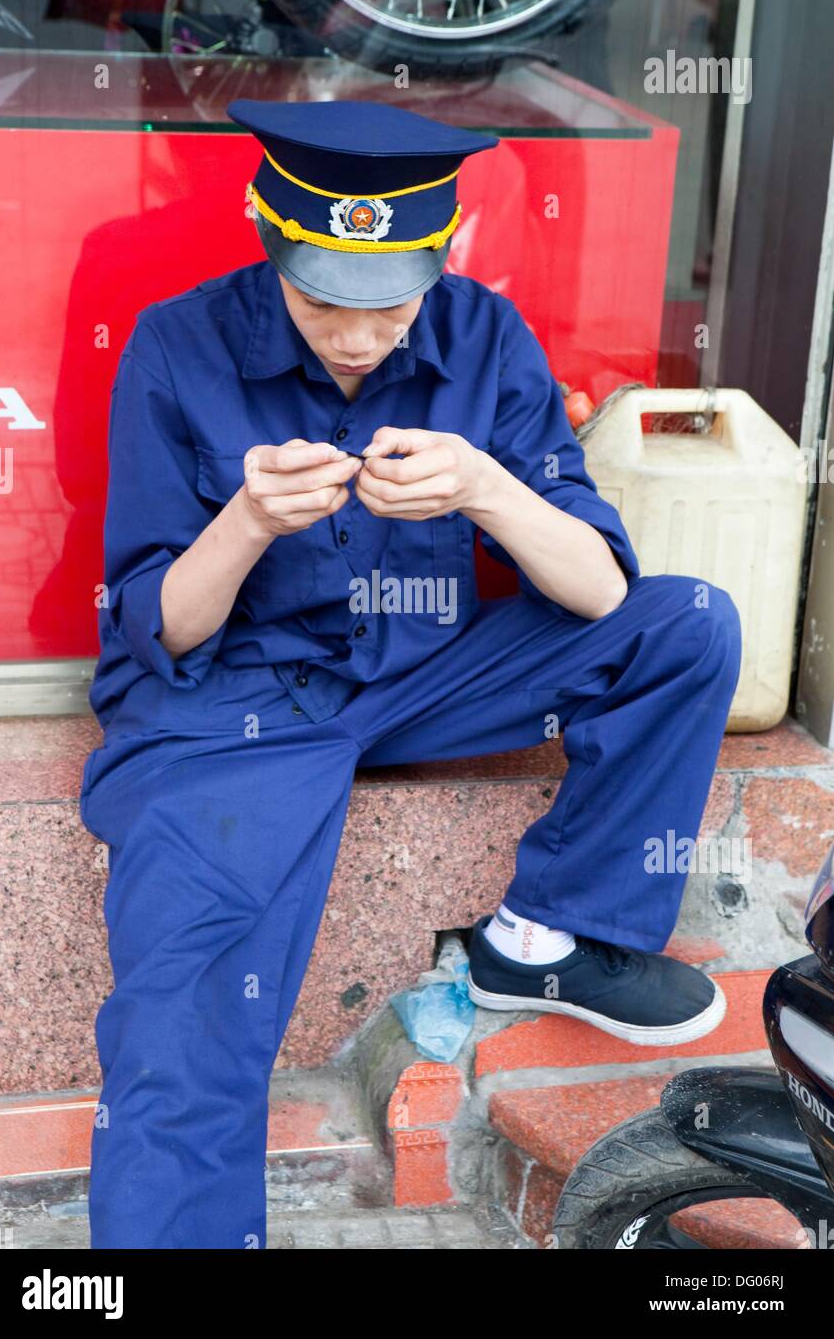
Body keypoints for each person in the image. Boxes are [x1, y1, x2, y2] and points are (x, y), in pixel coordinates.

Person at [79, 99, 742, 1249]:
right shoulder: (175, 344)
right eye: (321, 299)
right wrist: (241, 520)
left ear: (441, 262)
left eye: (386, 307)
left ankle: (546, 938)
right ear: (267, 240)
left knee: (688, 624)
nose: (353, 338)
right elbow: (163, 631)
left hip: (426, 673)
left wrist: (488, 486)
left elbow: (600, 593)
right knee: (186, 1004)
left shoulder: (485, 337)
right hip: (238, 707)